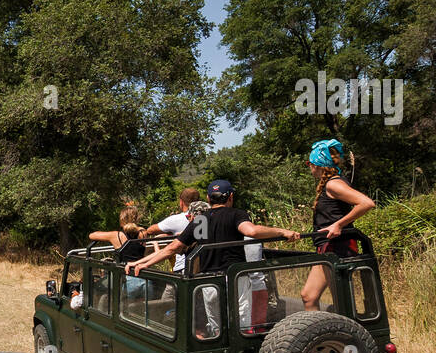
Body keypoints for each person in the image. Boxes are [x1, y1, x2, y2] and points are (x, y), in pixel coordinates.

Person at [126, 180, 300, 336]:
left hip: (209, 281)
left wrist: (141, 262)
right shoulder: (236, 214)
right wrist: (283, 231)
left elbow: (174, 247)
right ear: (230, 196)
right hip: (235, 279)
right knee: (241, 326)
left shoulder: (200, 220)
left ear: (209, 199)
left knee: (217, 328)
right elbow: (252, 231)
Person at [303, 139, 376, 310]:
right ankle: (317, 335)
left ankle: (345, 335)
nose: (309, 167)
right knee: (309, 297)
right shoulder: (329, 184)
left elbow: (366, 203)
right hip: (327, 246)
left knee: (341, 299)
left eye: (309, 163)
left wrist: (339, 225)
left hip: (338, 246)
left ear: (319, 163)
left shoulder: (334, 184)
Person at [142, 188, 201, 275]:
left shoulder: (176, 219)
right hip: (201, 265)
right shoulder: (205, 217)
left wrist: (168, 233)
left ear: (181, 202)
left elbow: (150, 230)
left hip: (183, 267)